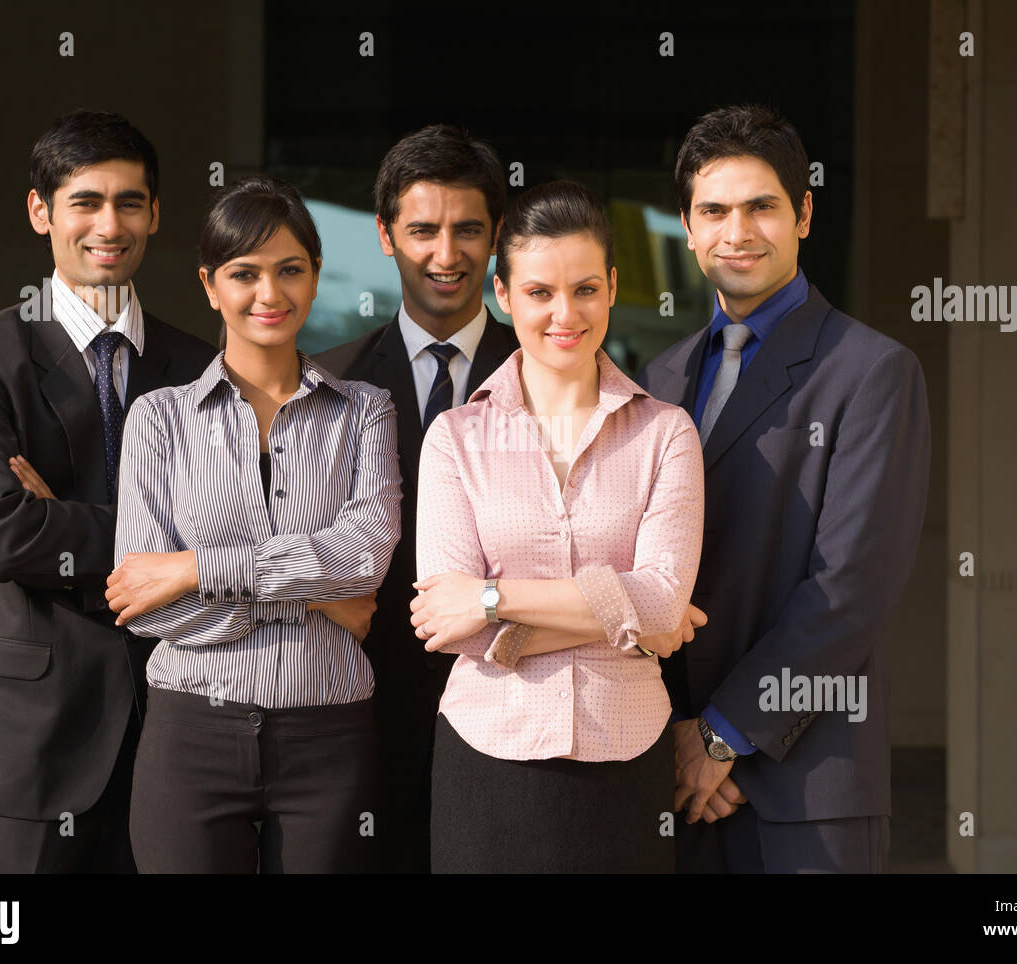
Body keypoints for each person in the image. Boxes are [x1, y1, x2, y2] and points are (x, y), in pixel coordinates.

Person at [637, 104, 931, 873]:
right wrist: (681, 738)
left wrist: (722, 736)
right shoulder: (659, 379)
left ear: (803, 213)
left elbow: (852, 589)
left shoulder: (871, 372)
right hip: (672, 786)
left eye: (761, 206)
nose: (737, 232)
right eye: (715, 211)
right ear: (688, 228)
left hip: (804, 795)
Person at [0, 110, 216, 872]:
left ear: (154, 214)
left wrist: (65, 516)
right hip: (28, 739)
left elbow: (248, 531)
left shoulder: (204, 367)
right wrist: (174, 553)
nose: (107, 224)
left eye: (128, 202)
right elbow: (6, 534)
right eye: (85, 201)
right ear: (41, 211)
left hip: (179, 724)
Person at [106, 174, 401, 873]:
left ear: (317, 276)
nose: (269, 295)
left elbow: (366, 559)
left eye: (290, 271)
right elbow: (142, 607)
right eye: (245, 274)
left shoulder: (365, 410)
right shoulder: (159, 418)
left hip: (330, 740)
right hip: (190, 734)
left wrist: (197, 569)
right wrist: (314, 594)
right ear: (211, 285)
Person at [410, 180, 705, 873]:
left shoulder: (667, 434)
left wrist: (492, 602)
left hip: (627, 757)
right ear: (504, 297)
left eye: (584, 289)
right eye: (539, 292)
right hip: (486, 759)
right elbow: (441, 621)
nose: (564, 313)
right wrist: (631, 619)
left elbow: (663, 602)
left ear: (611, 287)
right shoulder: (454, 438)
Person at [313, 124, 518, 872]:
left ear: (497, 235)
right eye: (422, 230)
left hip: (511, 720)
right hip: (358, 730)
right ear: (385, 235)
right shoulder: (328, 383)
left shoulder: (551, 376)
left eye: (468, 230)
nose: (445, 253)